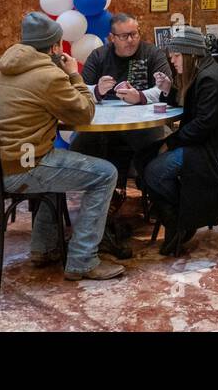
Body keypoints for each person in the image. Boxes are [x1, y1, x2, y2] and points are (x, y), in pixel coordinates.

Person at [0, 12, 124, 280]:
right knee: (106, 174)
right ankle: (83, 260)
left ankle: (44, 248)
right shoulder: (48, 75)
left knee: (57, 161)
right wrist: (74, 75)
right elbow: (84, 113)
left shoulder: (7, 68)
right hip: (23, 167)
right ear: (53, 47)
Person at [139, 26, 218, 256]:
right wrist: (168, 89)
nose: (172, 60)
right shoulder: (201, 73)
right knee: (143, 157)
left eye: (176, 56)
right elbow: (191, 105)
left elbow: (202, 126)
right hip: (204, 142)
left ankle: (181, 219)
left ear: (190, 54)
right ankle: (178, 220)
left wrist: (170, 142)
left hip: (217, 150)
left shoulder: (210, 79)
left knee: (154, 170)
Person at [70, 13, 174, 231]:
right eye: (125, 36)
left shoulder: (153, 53)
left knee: (156, 142)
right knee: (82, 143)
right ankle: (103, 200)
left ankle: (157, 195)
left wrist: (141, 97)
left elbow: (165, 86)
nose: (131, 40)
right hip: (103, 125)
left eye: (134, 34)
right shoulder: (98, 56)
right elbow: (80, 91)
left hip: (145, 123)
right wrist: (97, 90)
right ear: (111, 38)